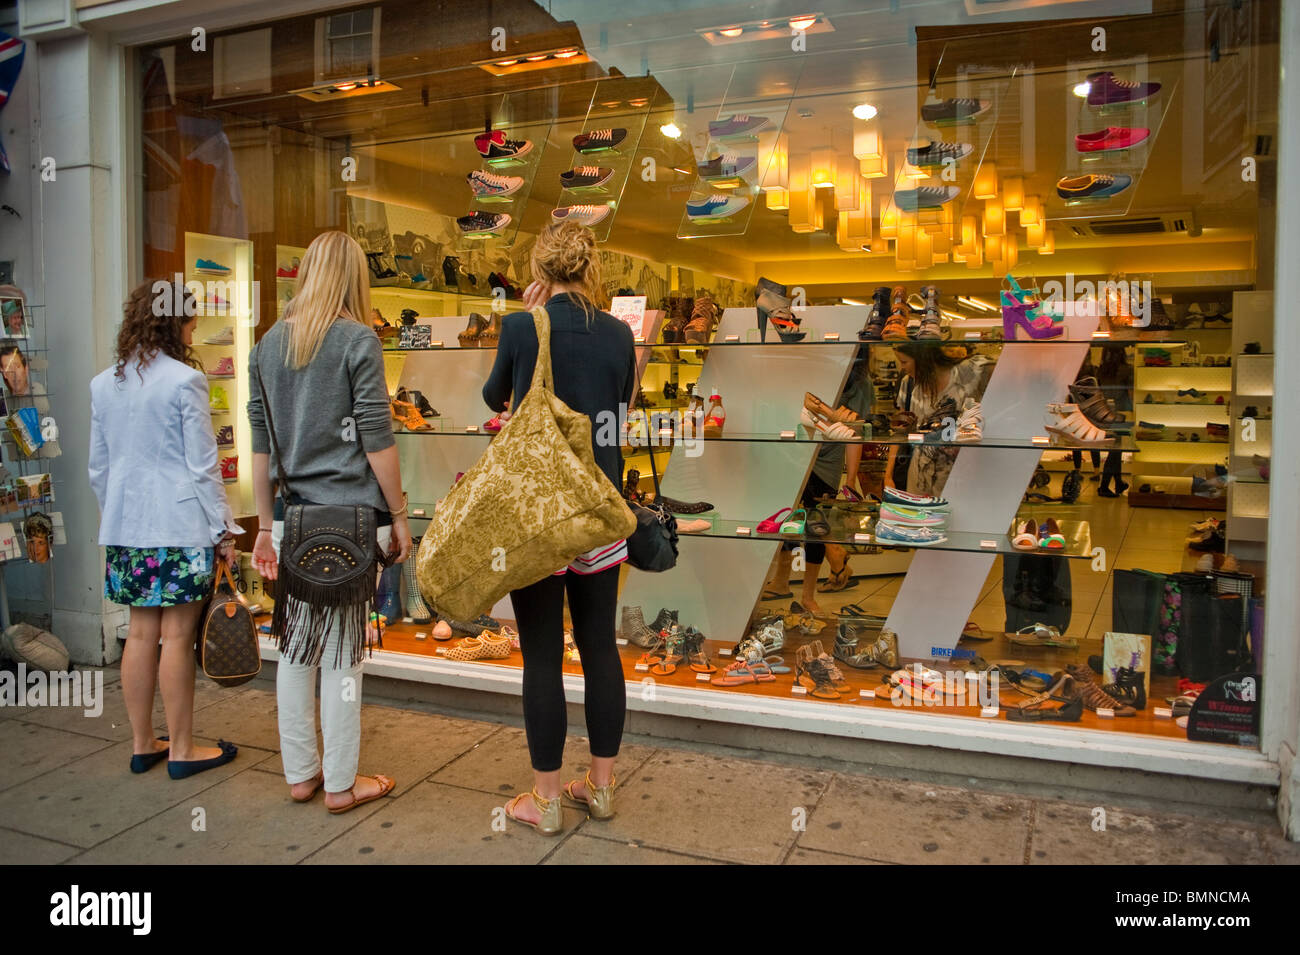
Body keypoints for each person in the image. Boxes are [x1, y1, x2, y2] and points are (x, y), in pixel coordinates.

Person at [248, 230, 412, 813]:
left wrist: (266, 526)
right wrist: (399, 515)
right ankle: (342, 784)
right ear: (354, 278)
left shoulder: (266, 345)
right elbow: (376, 439)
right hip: (350, 520)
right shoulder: (357, 340)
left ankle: (302, 775)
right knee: (342, 653)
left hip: (295, 519)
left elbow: (260, 448)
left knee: (293, 648)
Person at [482, 220, 637, 834]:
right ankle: (599, 788)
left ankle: (545, 800)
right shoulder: (622, 334)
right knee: (600, 645)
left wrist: (527, 322)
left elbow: (497, 398)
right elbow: (619, 406)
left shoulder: (524, 325)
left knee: (541, 654)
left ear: (541, 270)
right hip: (600, 511)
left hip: (539, 516)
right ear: (590, 267)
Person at [89, 279, 241, 778]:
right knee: (176, 637)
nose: (196, 330)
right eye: (192, 321)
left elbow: (99, 468)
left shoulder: (102, 383)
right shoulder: (184, 381)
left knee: (139, 632)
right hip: (178, 526)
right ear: (174, 323)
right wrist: (224, 530)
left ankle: (141, 743)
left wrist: (117, 514)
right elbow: (203, 467)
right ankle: (181, 749)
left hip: (126, 528)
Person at [763, 346, 874, 609]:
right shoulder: (817, 375)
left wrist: (850, 482)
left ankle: (808, 595)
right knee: (789, 518)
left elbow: (855, 435)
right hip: (797, 450)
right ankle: (782, 580)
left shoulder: (860, 385)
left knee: (816, 524)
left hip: (827, 460)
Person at [884, 343, 990, 498]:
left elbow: (1003, 371)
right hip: (920, 477)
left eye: (905, 362)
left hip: (959, 476)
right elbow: (903, 432)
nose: (902, 368)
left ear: (921, 359)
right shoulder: (915, 390)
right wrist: (888, 475)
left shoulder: (965, 374)